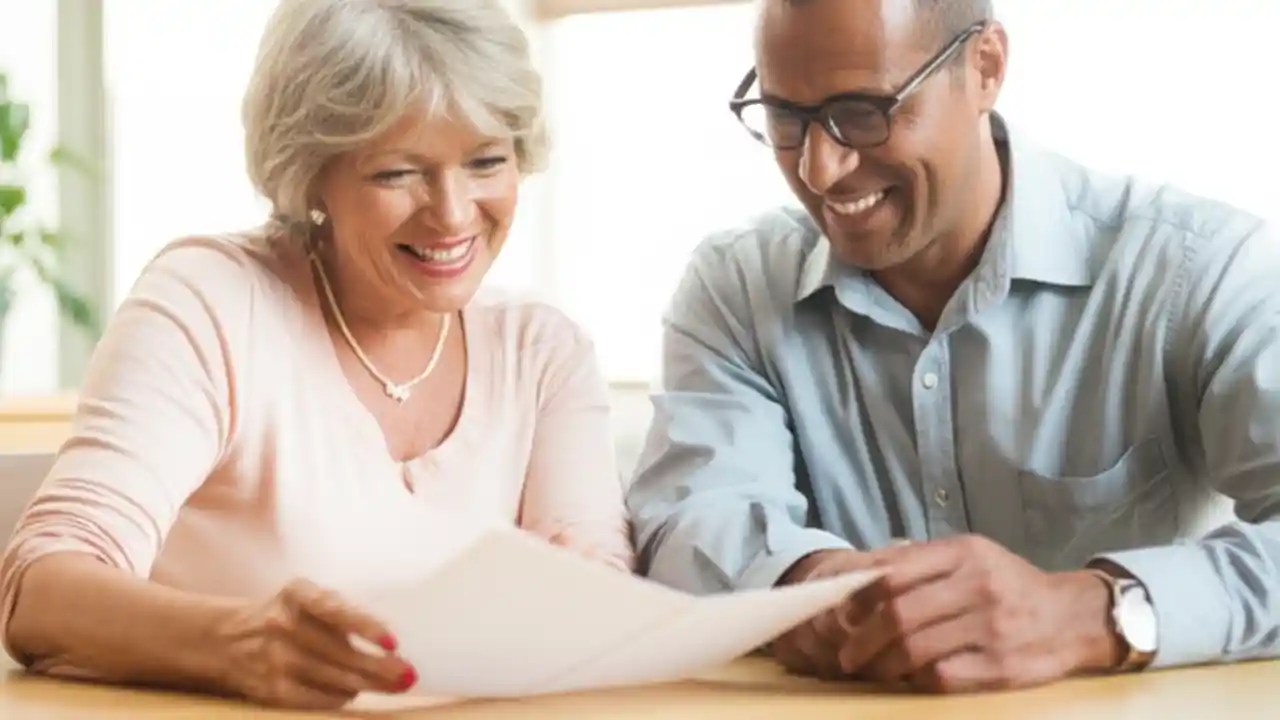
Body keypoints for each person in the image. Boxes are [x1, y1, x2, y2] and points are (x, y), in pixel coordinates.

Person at [626, 0, 1279, 694]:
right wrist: (810, 586)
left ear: (986, 68)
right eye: (787, 117)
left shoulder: (1198, 269)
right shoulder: (736, 288)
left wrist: (1093, 613)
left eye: (865, 111)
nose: (821, 168)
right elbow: (691, 517)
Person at [0, 0, 633, 709]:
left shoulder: (542, 351)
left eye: (487, 161)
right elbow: (39, 589)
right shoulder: (212, 303)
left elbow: (595, 596)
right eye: (398, 173)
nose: (454, 213)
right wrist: (236, 642)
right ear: (311, 176)